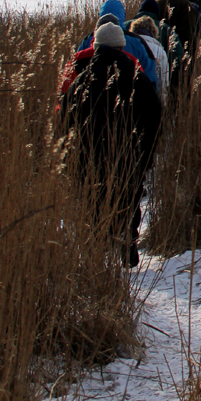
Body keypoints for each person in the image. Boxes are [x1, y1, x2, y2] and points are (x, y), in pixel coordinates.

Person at [59, 21, 162, 267]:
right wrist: (146, 153)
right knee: (128, 197)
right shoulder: (138, 77)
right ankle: (128, 242)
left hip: (90, 155)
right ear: (121, 45)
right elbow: (154, 115)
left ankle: (97, 247)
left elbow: (64, 119)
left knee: (94, 200)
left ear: (97, 46)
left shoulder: (82, 79)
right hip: (128, 152)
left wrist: (70, 157)